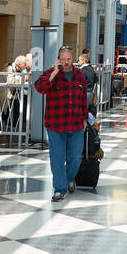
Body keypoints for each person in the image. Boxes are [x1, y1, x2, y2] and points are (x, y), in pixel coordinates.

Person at [34, 44, 89, 203]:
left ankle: (69, 177)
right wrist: (54, 73)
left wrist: (85, 119)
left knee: (75, 157)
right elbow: (40, 88)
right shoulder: (51, 74)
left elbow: (83, 99)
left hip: (76, 124)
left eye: (69, 59)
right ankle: (60, 189)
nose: (66, 62)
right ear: (58, 59)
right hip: (56, 124)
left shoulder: (80, 76)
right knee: (57, 158)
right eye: (63, 59)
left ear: (73, 59)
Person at [77, 47, 98, 114]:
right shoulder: (91, 69)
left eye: (79, 60)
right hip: (90, 93)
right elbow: (96, 79)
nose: (78, 62)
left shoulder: (81, 71)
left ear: (83, 61)